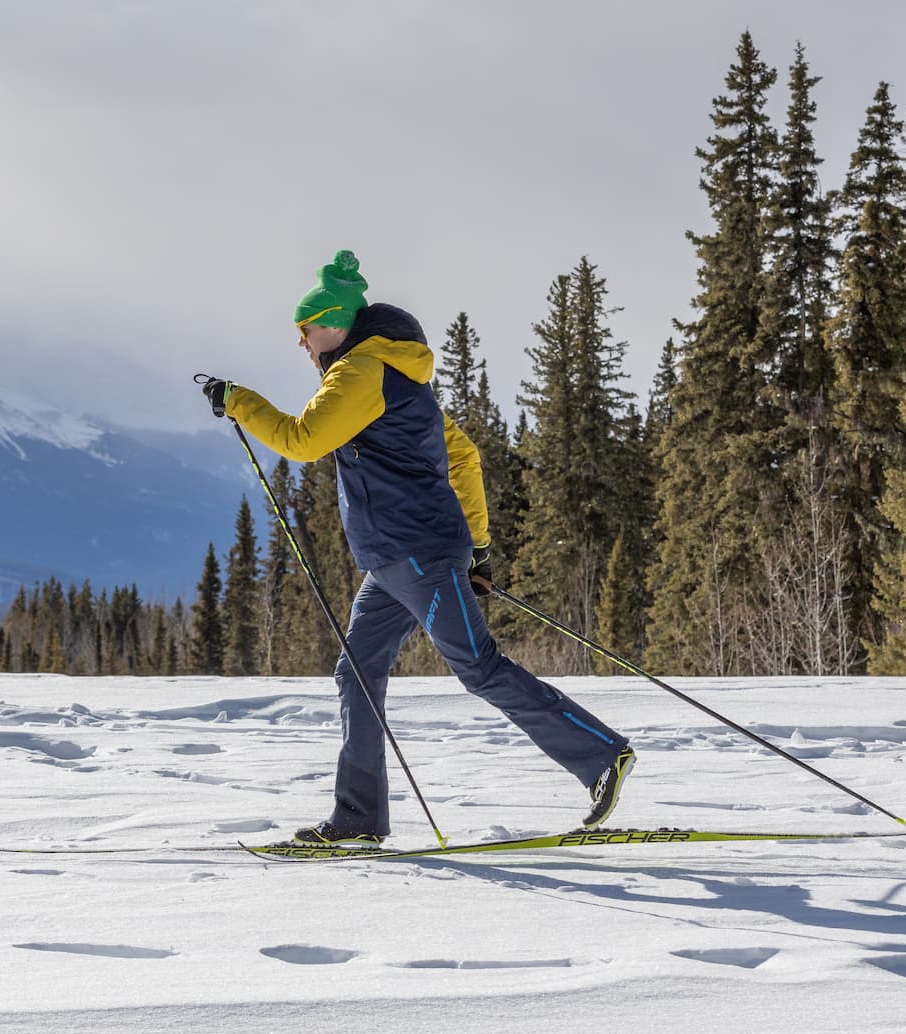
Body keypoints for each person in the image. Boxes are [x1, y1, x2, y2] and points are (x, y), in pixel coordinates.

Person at [199, 249, 634, 846]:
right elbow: (462, 456)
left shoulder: (359, 374)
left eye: (306, 332)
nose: (303, 346)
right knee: (356, 672)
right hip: (394, 562)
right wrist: (476, 547)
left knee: (479, 669)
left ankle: (600, 756)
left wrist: (239, 401)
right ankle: (357, 819)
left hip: (417, 554)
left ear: (334, 325)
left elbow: (302, 441)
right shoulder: (402, 379)